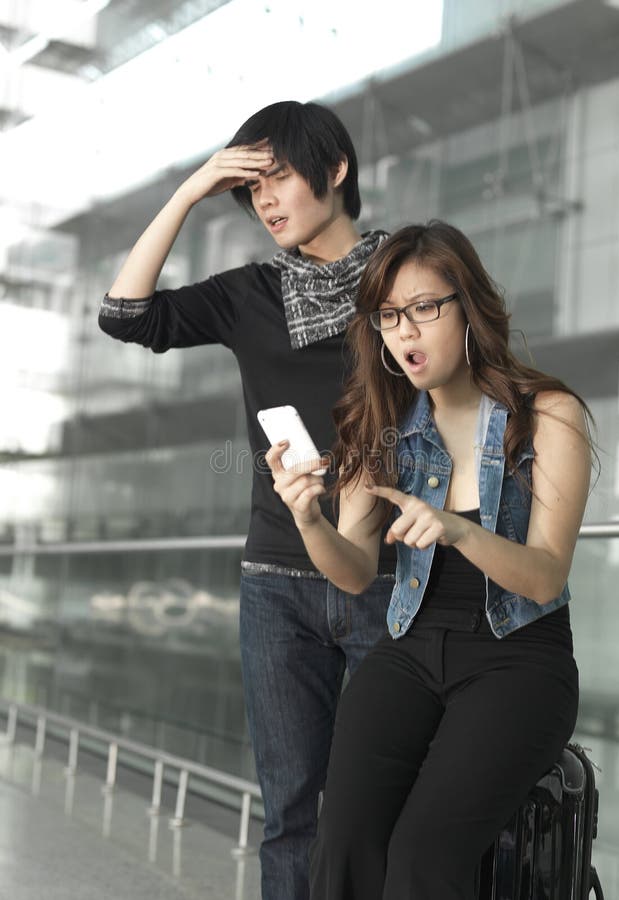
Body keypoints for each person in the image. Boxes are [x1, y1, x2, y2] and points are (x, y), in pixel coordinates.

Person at [97, 100, 397, 900]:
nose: (264, 203)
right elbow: (125, 315)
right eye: (248, 190)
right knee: (292, 814)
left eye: (279, 179)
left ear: (335, 172)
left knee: (383, 811)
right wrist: (189, 191)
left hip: (392, 578)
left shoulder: (407, 279)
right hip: (276, 580)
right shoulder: (248, 294)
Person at [266, 221, 593, 900]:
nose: (405, 332)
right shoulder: (377, 425)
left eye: (423, 308)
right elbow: (354, 569)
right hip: (410, 650)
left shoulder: (546, 416)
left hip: (518, 660)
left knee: (421, 860)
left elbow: (545, 575)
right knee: (345, 841)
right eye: (388, 316)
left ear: (467, 307)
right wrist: (306, 519)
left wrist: (456, 530)